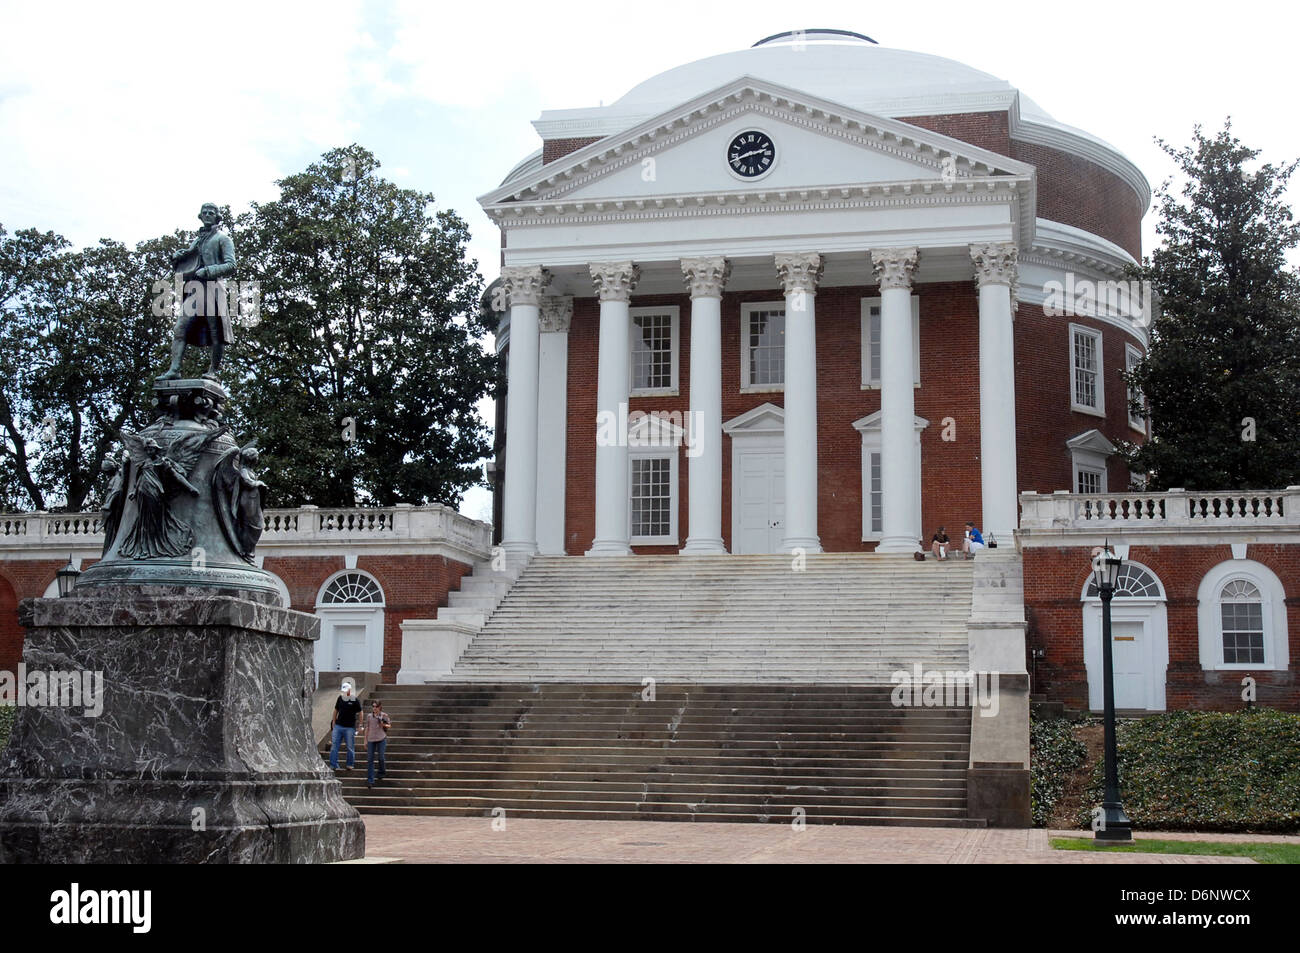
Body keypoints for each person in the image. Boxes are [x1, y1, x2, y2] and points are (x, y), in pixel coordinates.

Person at [159, 202, 237, 381]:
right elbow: (191, 257)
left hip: (213, 288)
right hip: (195, 290)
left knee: (216, 332)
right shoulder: (197, 240)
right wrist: (180, 255)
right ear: (200, 216)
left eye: (212, 212)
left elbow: (231, 265)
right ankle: (175, 369)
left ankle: (213, 372)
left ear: (217, 217)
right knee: (180, 328)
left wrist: (209, 271)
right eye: (205, 212)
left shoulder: (223, 239)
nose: (208, 214)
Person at [329, 681, 363, 772]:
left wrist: (360, 724)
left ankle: (350, 764)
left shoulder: (354, 700)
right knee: (334, 745)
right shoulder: (340, 699)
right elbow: (336, 710)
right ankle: (333, 764)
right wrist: (334, 721)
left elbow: (360, 712)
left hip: (350, 727)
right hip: (339, 725)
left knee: (350, 747)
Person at [361, 700, 392, 789]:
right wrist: (365, 740)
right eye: (373, 706)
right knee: (370, 759)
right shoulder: (369, 716)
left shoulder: (384, 715)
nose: (374, 708)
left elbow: (389, 725)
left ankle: (381, 772)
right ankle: (370, 780)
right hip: (371, 739)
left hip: (381, 738)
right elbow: (367, 728)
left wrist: (383, 724)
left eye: (376, 706)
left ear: (380, 707)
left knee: (381, 757)